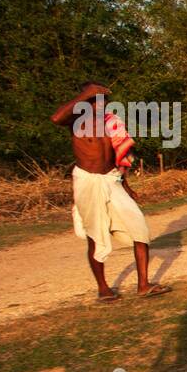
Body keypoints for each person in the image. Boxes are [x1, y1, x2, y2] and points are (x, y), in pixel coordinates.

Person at [50, 81, 171, 301]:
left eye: (104, 100)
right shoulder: (77, 121)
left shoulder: (111, 122)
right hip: (88, 181)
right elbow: (56, 118)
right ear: (86, 100)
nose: (101, 104)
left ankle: (143, 284)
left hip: (111, 180)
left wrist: (127, 186)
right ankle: (103, 288)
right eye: (96, 100)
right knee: (95, 236)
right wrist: (87, 93)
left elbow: (119, 157)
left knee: (140, 229)